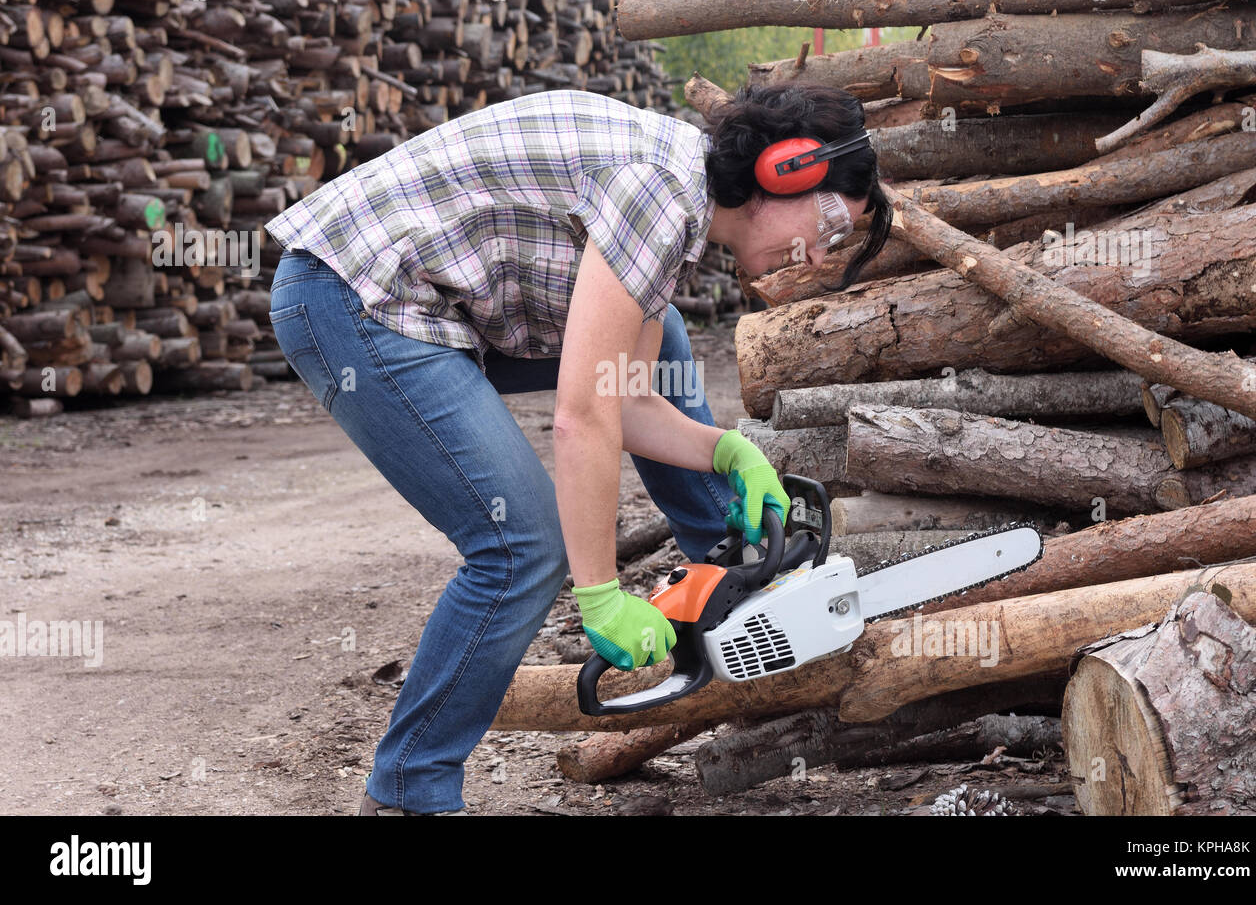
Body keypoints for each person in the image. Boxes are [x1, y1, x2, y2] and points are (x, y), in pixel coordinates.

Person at [264, 82, 891, 815]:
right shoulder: (660, 193)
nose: (820, 250)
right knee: (522, 541)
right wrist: (600, 595)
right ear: (784, 170)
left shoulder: (674, 200)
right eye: (830, 224)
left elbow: (625, 399)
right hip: (352, 299)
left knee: (667, 347)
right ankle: (409, 792)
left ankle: (740, 582)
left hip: (434, 303)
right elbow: (583, 416)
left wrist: (730, 453)